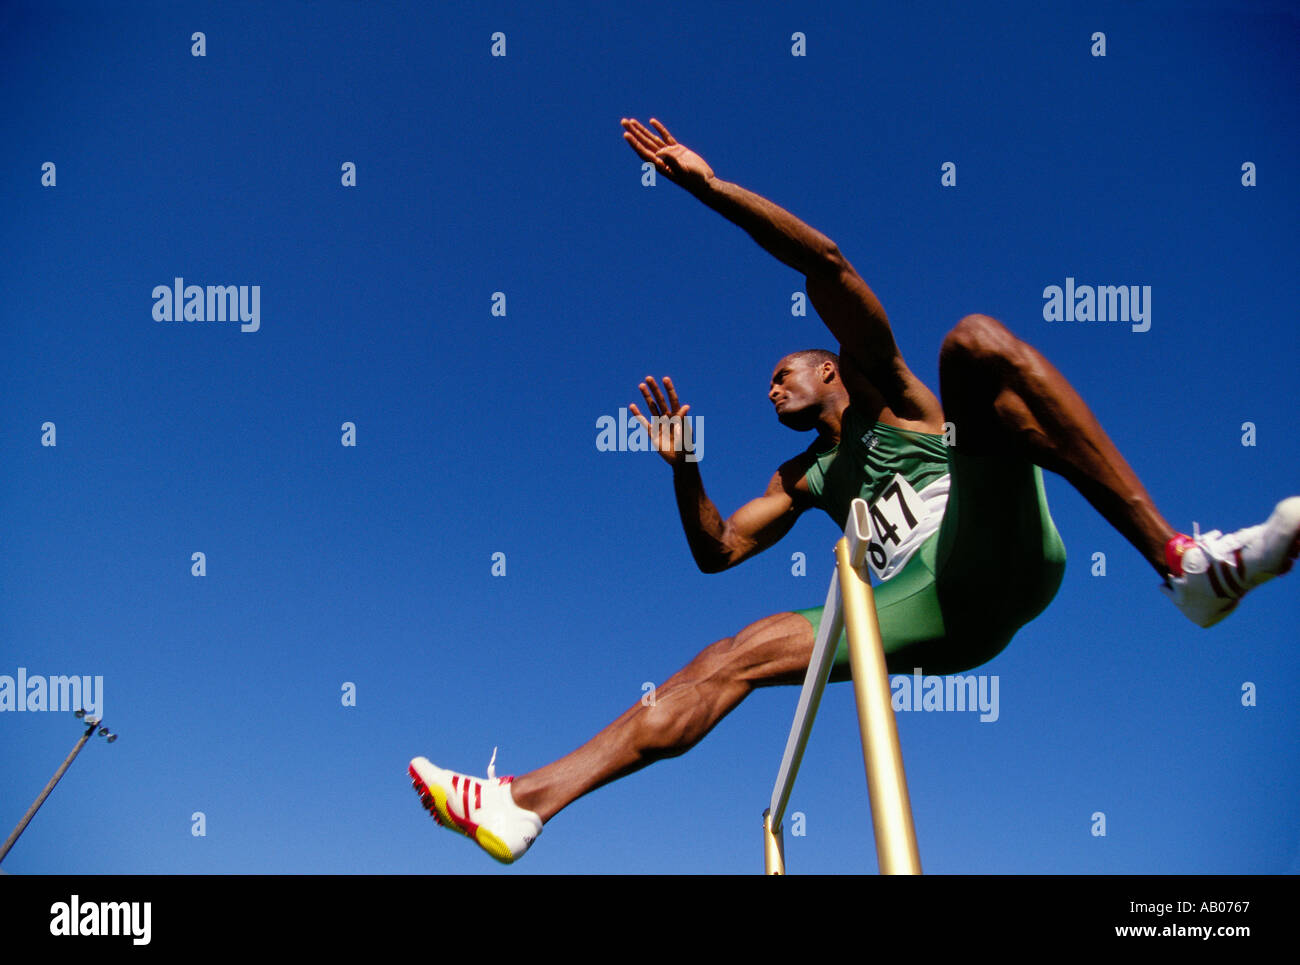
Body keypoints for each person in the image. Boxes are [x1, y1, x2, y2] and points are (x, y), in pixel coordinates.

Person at [408, 118, 1299, 865]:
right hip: (915, 610)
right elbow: (718, 551)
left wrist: (709, 187)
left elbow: (826, 262)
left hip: (991, 549)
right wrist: (685, 471)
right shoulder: (803, 479)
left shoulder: (892, 397)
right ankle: (524, 801)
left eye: (780, 373)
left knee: (975, 346)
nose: (769, 390)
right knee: (727, 654)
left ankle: (1183, 561)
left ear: (827, 367)